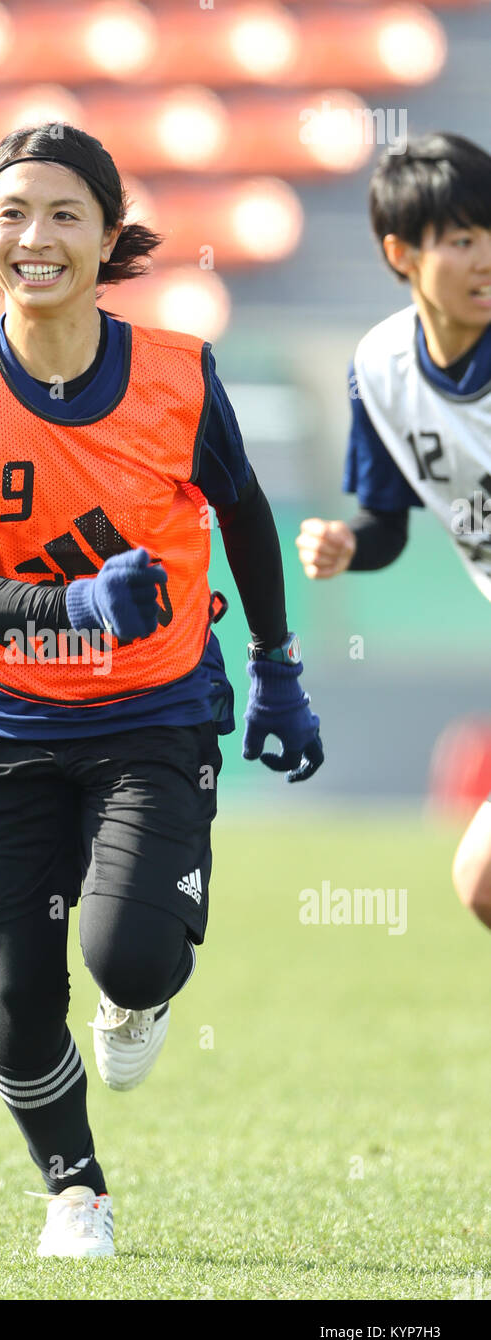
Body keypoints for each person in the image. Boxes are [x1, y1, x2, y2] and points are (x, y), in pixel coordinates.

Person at [0, 123, 323, 1258]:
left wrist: (276, 668)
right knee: (19, 996)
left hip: (151, 708)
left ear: (104, 233)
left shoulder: (178, 372)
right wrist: (76, 604)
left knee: (126, 955)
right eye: (10, 214)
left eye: (63, 214)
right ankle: (73, 1189)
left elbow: (241, 513)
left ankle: (137, 1001)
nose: (34, 237)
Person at [296, 132, 491, 930]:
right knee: (483, 885)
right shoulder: (380, 368)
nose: (486, 259)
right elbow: (388, 525)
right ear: (400, 253)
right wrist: (348, 544)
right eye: (461, 240)